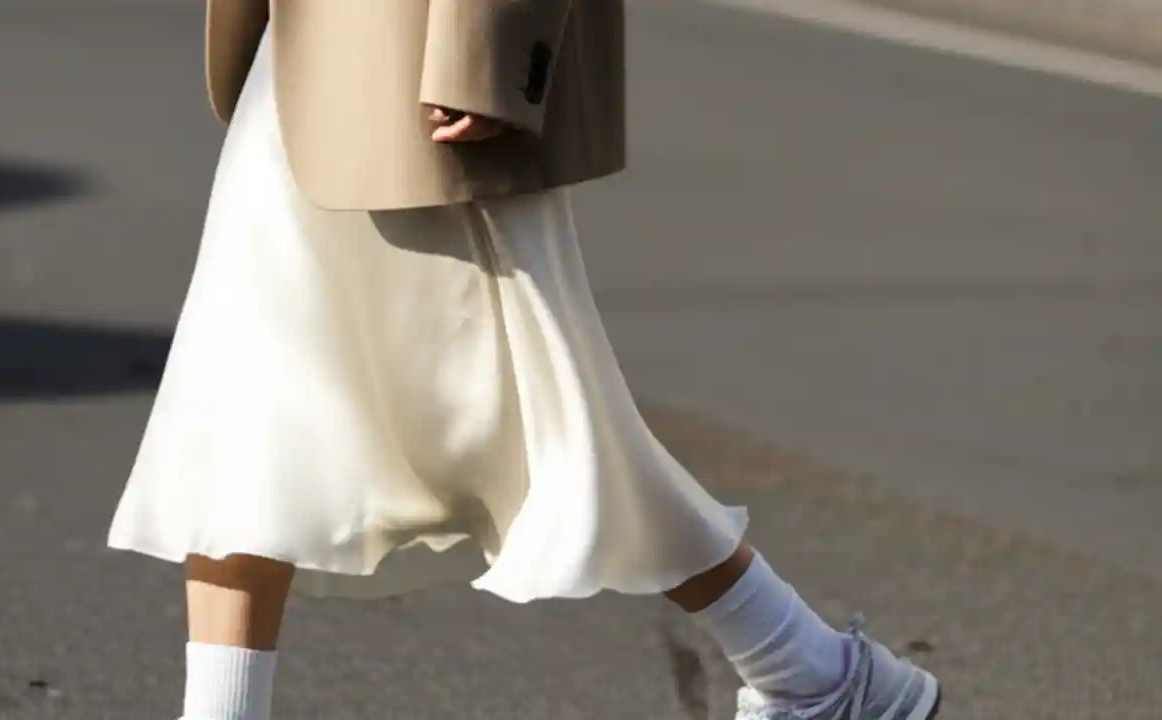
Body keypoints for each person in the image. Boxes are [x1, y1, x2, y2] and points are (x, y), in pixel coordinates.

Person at [107, 1, 941, 718]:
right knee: (246, 401)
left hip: (422, 64)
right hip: (312, 57)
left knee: (540, 427)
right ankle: (808, 668)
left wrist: (493, 46)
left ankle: (813, 668)